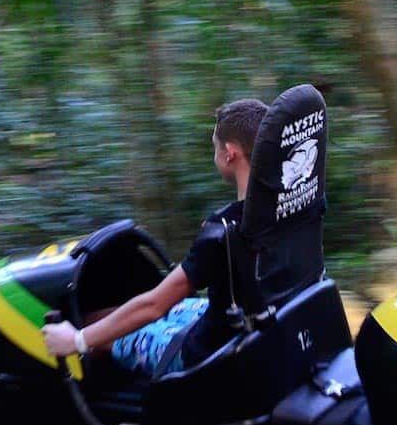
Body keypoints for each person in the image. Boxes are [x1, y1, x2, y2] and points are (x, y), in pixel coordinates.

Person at [41, 98, 269, 378]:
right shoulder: (288, 209)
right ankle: (89, 325)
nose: (215, 154)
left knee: (101, 332)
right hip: (243, 326)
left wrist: (77, 340)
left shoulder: (222, 232)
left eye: (215, 146)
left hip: (208, 352)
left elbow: (154, 306)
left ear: (230, 153)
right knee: (132, 312)